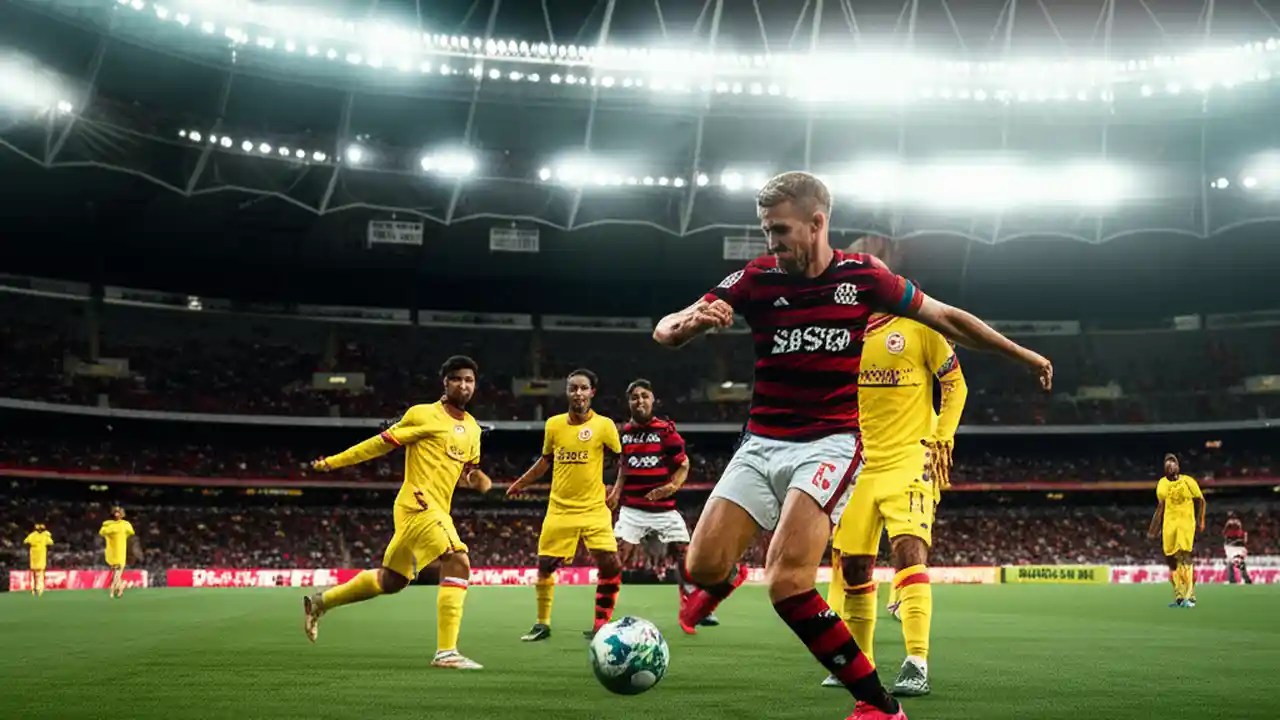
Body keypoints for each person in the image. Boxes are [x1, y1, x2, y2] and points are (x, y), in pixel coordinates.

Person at [653, 171, 1052, 720]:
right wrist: (692, 324)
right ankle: (727, 577)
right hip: (761, 443)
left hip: (829, 444)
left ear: (817, 223)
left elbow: (947, 318)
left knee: (787, 582)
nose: (771, 242)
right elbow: (665, 327)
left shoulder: (864, 277)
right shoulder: (756, 278)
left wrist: (1022, 355)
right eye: (766, 230)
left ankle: (880, 705)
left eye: (780, 230)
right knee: (701, 567)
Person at [821, 236, 968, 697]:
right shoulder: (842, 336)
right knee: (854, 568)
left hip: (909, 460)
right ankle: (858, 664)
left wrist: (942, 436)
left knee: (909, 551)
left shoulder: (920, 325)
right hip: (858, 467)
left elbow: (955, 384)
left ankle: (916, 661)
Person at [304, 355, 493, 670]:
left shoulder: (473, 429)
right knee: (458, 560)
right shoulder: (422, 414)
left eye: (469, 380)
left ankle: (321, 602)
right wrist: (333, 462)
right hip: (418, 503)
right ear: (445, 382)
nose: (464, 385)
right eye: (457, 378)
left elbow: (466, 472)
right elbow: (379, 444)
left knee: (392, 580)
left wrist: (478, 479)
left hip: (432, 509)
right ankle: (447, 652)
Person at [509, 369, 623, 641]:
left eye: (583, 388)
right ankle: (542, 624)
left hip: (594, 508)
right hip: (560, 508)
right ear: (567, 392)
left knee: (611, 564)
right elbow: (545, 460)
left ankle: (601, 624)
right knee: (546, 565)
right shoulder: (554, 425)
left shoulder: (605, 425)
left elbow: (623, 460)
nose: (578, 393)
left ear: (592, 392)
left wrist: (616, 489)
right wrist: (521, 483)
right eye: (573, 388)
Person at [606, 379, 717, 626]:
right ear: (629, 402)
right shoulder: (624, 433)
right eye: (634, 397)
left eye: (644, 396)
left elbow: (684, 464)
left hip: (664, 510)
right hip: (632, 509)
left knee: (685, 557)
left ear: (652, 400)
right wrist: (616, 492)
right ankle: (603, 617)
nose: (640, 401)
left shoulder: (666, 431)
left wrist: (672, 486)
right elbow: (624, 466)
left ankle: (695, 608)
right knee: (615, 560)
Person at [1147, 453, 1206, 608]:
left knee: (1184, 556)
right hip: (1169, 526)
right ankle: (1179, 596)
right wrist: (1154, 527)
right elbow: (1161, 507)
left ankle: (1190, 596)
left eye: (1173, 463)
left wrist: (1201, 520)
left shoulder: (1188, 481)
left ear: (1178, 467)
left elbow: (1200, 500)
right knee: (1172, 560)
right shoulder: (1162, 484)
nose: (1170, 466)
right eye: (1167, 464)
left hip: (1185, 524)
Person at [99, 507, 137, 599]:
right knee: (117, 575)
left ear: (122, 514)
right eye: (116, 513)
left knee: (117, 574)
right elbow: (102, 532)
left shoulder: (124, 525)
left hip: (120, 553)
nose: (117, 514)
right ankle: (124, 585)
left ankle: (114, 591)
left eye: (118, 513)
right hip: (113, 553)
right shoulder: (109, 525)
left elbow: (131, 532)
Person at [23, 523, 53, 598]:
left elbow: (25, 541)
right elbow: (51, 542)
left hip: (34, 558)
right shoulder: (45, 535)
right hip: (41, 558)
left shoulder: (32, 535)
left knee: (33, 575)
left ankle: (33, 589)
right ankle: (39, 589)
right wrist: (48, 534)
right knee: (40, 575)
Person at [1223, 512, 1252, 584]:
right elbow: (1225, 534)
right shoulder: (1229, 528)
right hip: (1231, 547)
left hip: (1237, 548)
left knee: (1238, 562)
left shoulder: (1239, 528)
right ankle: (1233, 580)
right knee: (1231, 563)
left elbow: (1244, 538)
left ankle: (1246, 579)